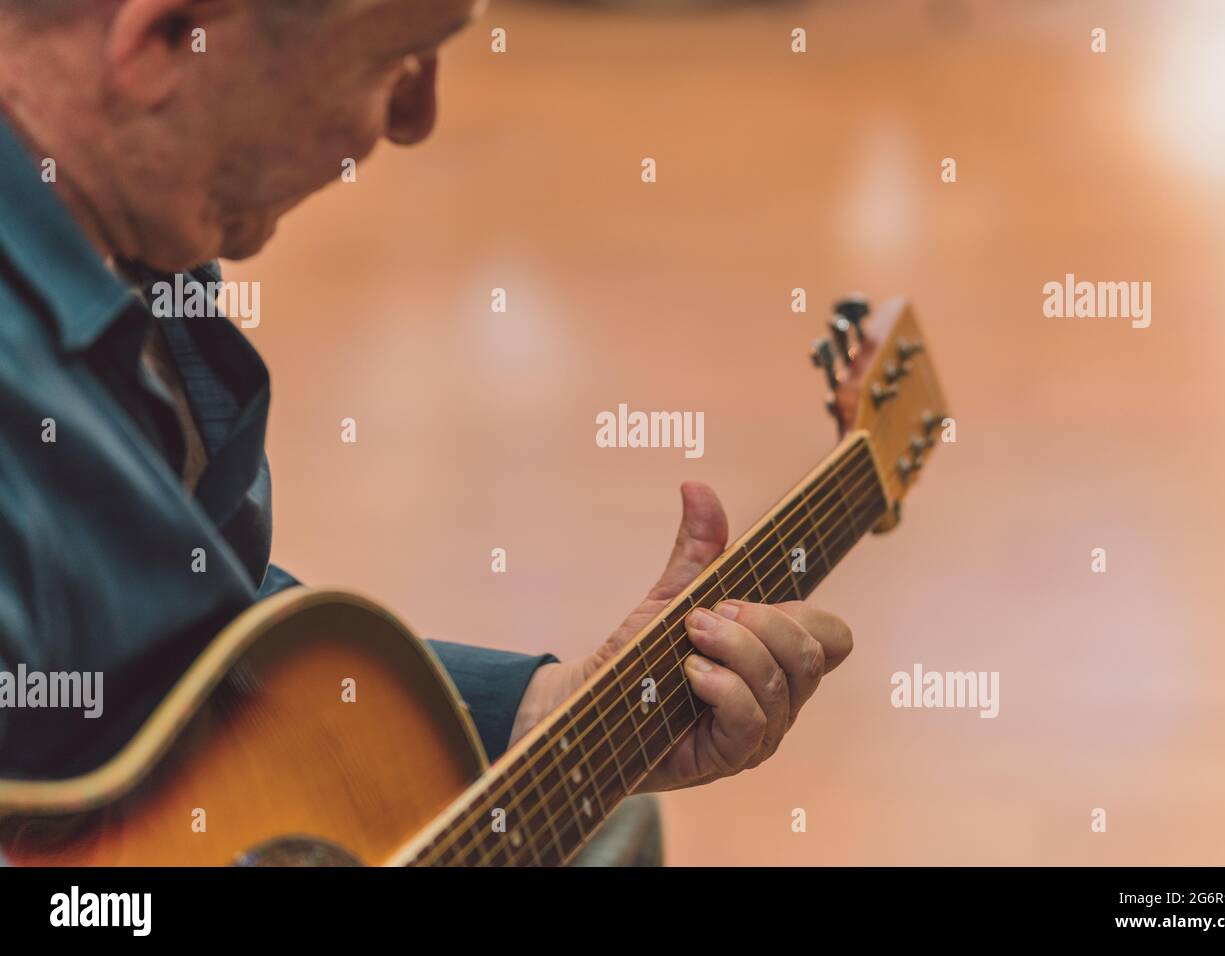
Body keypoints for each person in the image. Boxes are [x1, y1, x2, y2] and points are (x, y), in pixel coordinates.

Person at [0, 0, 852, 802]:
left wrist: (535, 715)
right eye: (394, 59)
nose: (414, 122)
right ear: (168, 38)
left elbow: (174, 659)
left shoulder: (150, 253)